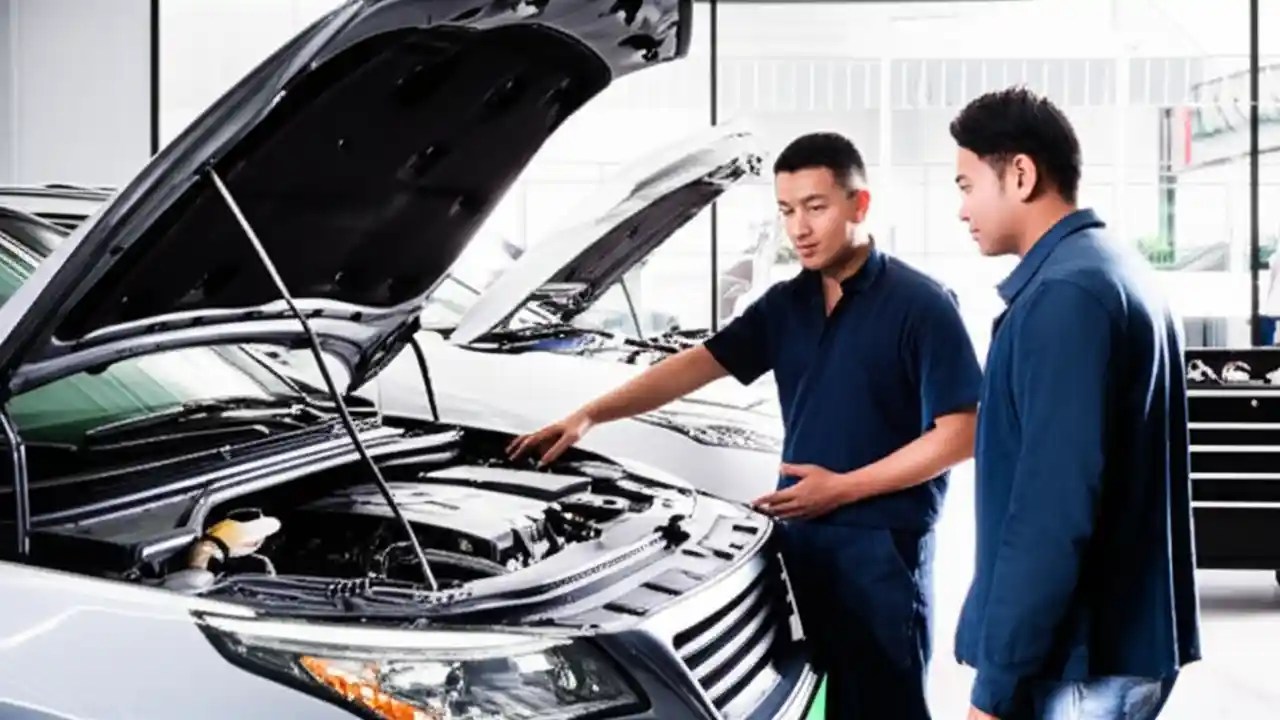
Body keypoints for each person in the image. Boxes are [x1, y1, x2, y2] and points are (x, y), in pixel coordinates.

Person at [507, 131, 983, 719]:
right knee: (816, 699)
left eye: (816, 207)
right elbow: (694, 365)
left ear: (859, 205)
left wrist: (843, 488)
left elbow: (961, 433)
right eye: (786, 211)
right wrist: (590, 414)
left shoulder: (923, 304)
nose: (800, 228)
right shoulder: (786, 305)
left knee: (886, 706)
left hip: (881, 550)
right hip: (802, 540)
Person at [949, 87, 1201, 720]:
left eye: (967, 184)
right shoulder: (1114, 270)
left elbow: (1050, 512)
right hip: (1120, 648)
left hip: (1082, 666)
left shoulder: (1066, 297)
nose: (961, 209)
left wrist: (995, 687)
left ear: (1022, 174)